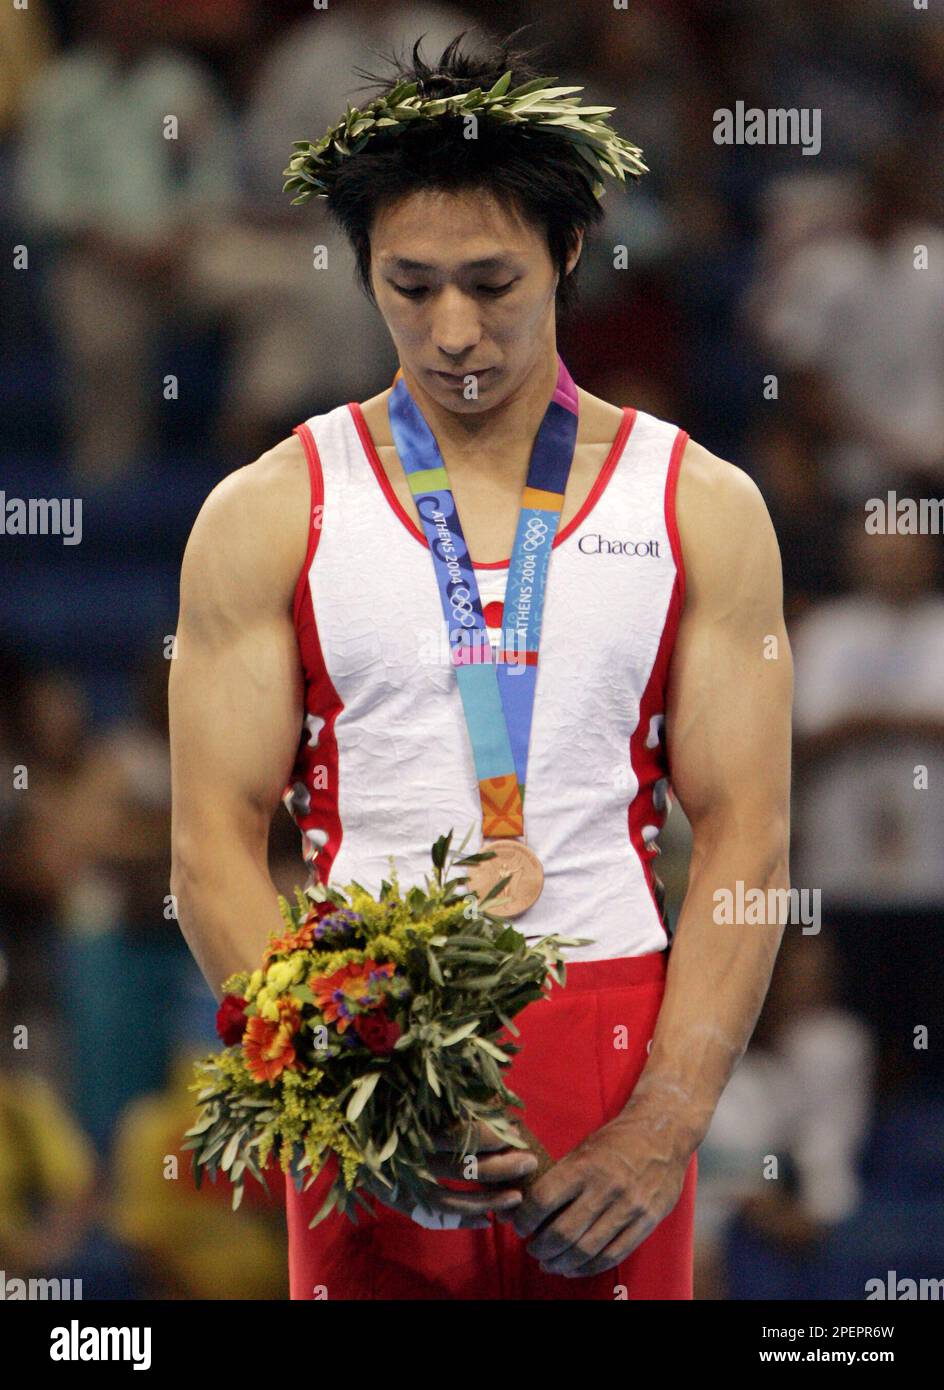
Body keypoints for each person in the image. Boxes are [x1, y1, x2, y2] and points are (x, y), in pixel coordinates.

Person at [169, 32, 793, 1300]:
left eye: (491, 284)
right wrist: (350, 1096)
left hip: (612, 1025)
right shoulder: (270, 508)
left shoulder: (697, 503)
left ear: (568, 253)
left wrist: (664, 1119)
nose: (453, 331)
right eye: (409, 287)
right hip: (365, 1034)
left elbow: (746, 842)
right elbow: (208, 855)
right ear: (363, 277)